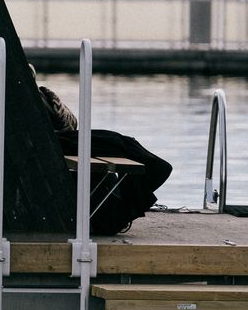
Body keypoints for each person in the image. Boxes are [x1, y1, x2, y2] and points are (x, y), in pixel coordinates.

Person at [30, 66, 172, 233]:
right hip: (60, 143)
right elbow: (71, 125)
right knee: (121, 144)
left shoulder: (32, 102)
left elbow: (70, 125)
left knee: (120, 144)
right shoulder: (36, 101)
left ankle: (123, 209)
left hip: (58, 144)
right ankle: (122, 211)